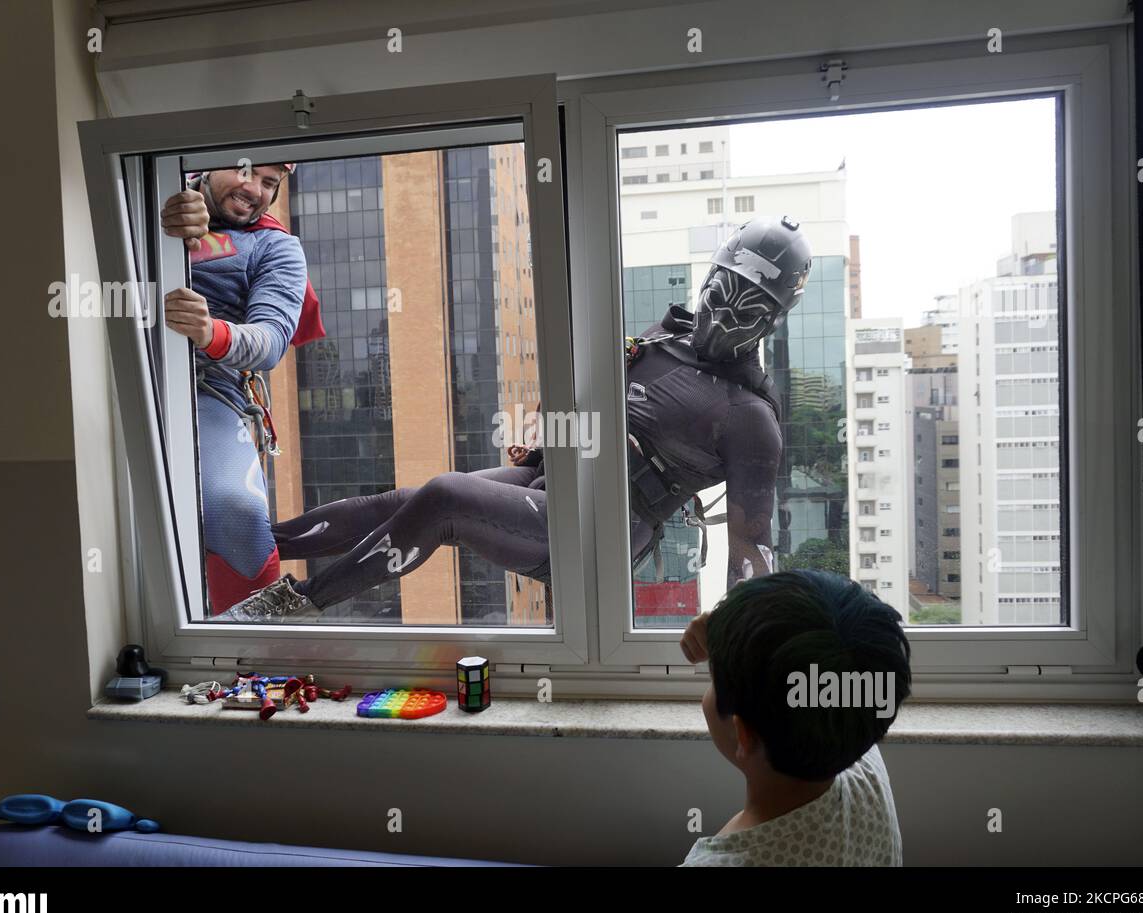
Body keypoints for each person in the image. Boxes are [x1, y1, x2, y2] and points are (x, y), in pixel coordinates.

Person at [214, 216, 811, 623]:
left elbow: (751, 552)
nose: (728, 311)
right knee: (408, 500)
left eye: (751, 304)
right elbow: (601, 407)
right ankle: (246, 544)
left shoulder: (751, 417)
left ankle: (296, 605)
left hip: (601, 530)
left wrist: (739, 653)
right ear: (710, 277)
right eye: (723, 289)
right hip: (556, 482)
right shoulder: (665, 338)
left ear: (775, 318)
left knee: (446, 498)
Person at [159, 163, 323, 614]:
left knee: (235, 509)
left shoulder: (276, 248)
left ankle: (250, 653)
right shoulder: (155, 192)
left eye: (270, 184)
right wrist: (161, 215)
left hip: (206, 392)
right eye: (247, 172)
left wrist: (210, 332)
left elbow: (269, 341)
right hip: (114, 373)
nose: (254, 190)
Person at [676, 570, 911, 866]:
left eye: (713, 679)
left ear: (744, 734)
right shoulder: (864, 767)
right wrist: (739, 625)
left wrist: (741, 625)